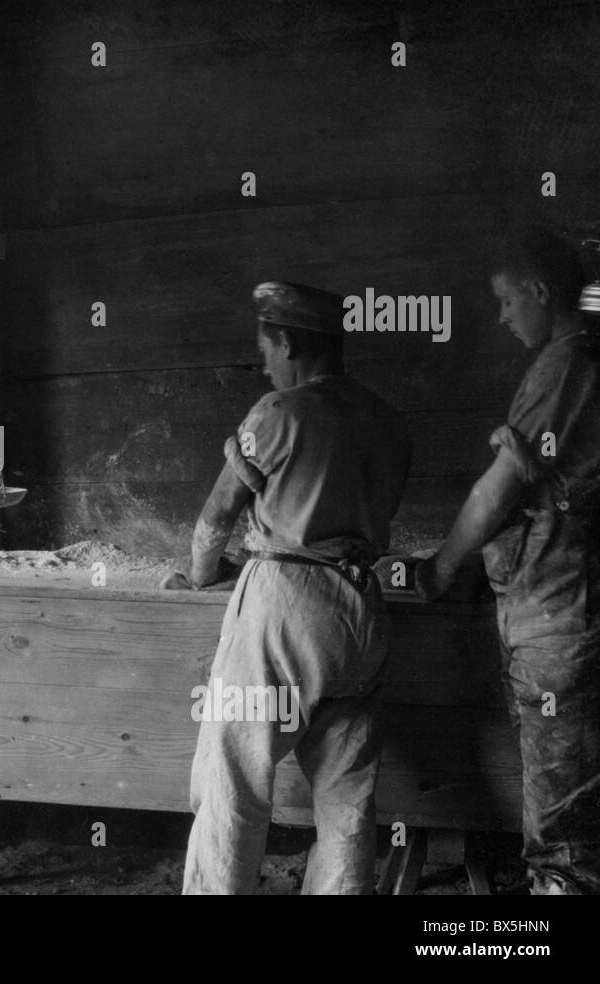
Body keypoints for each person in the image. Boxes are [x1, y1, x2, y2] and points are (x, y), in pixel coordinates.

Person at [165, 281, 412, 894]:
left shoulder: (281, 413)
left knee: (233, 777)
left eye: (267, 349)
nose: (265, 364)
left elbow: (219, 513)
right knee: (347, 795)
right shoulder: (388, 421)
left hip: (288, 607)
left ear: (290, 341)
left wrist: (201, 575)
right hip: (362, 613)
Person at [416, 231, 600, 895]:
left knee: (563, 850)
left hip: (559, 620)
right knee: (563, 826)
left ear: (541, 292)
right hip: (549, 618)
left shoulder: (565, 362)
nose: (501, 316)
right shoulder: (571, 363)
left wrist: (439, 570)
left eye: (506, 300)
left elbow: (497, 492)